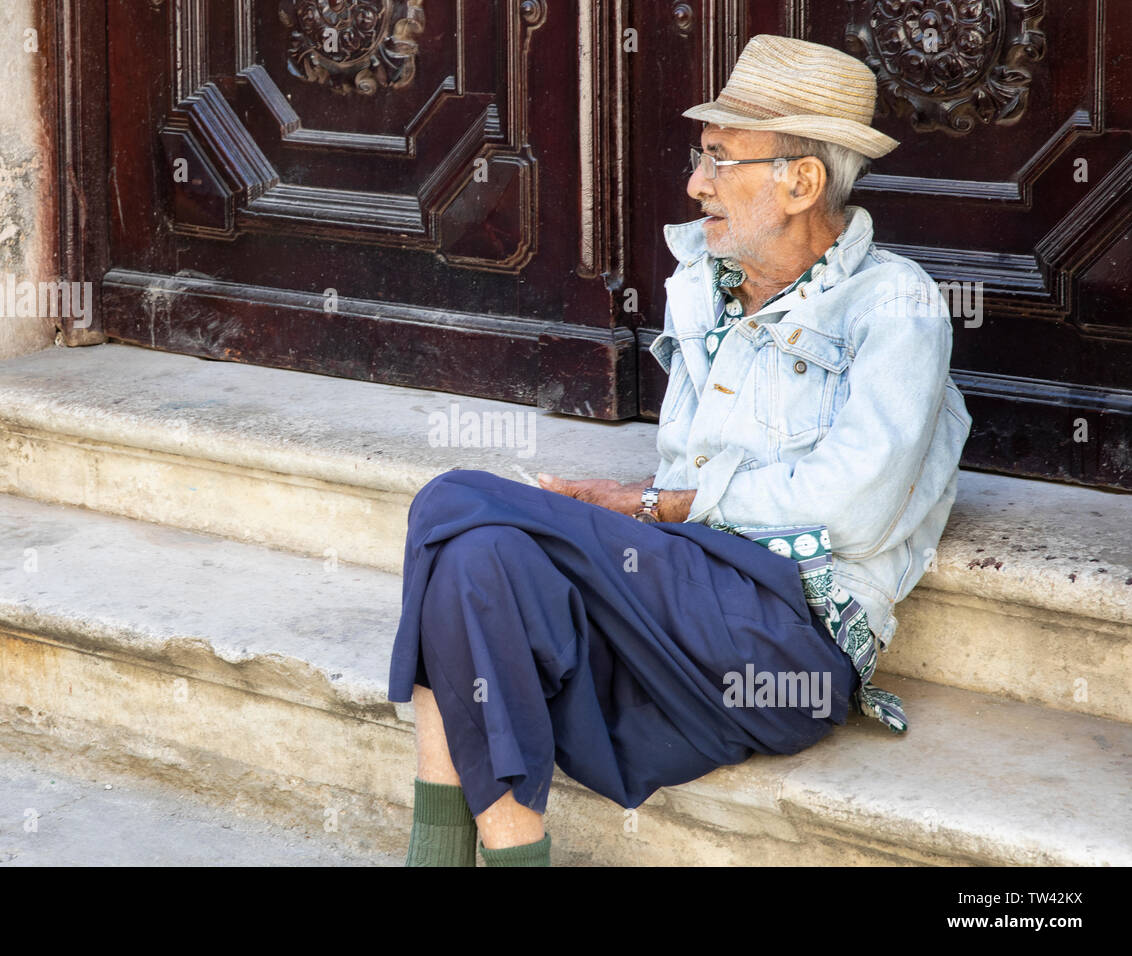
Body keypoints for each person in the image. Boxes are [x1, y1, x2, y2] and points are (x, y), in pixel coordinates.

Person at [386, 34, 973, 867]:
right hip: (676, 615)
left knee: (451, 500)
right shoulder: (700, 281)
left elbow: (857, 510)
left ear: (801, 181)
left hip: (786, 643)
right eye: (701, 157)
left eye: (720, 160)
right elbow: (679, 479)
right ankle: (502, 850)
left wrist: (657, 509)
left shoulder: (896, 305)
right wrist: (645, 522)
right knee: (476, 555)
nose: (696, 185)